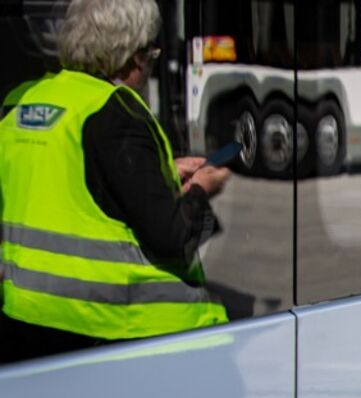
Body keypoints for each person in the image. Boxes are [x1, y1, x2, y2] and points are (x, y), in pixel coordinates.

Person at [0, 0, 230, 364]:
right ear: (132, 56)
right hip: (114, 328)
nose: (149, 62)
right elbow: (173, 238)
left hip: (27, 320)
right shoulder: (115, 112)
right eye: (150, 53)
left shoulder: (19, 104)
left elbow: (65, 178)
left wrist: (163, 171)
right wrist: (203, 186)